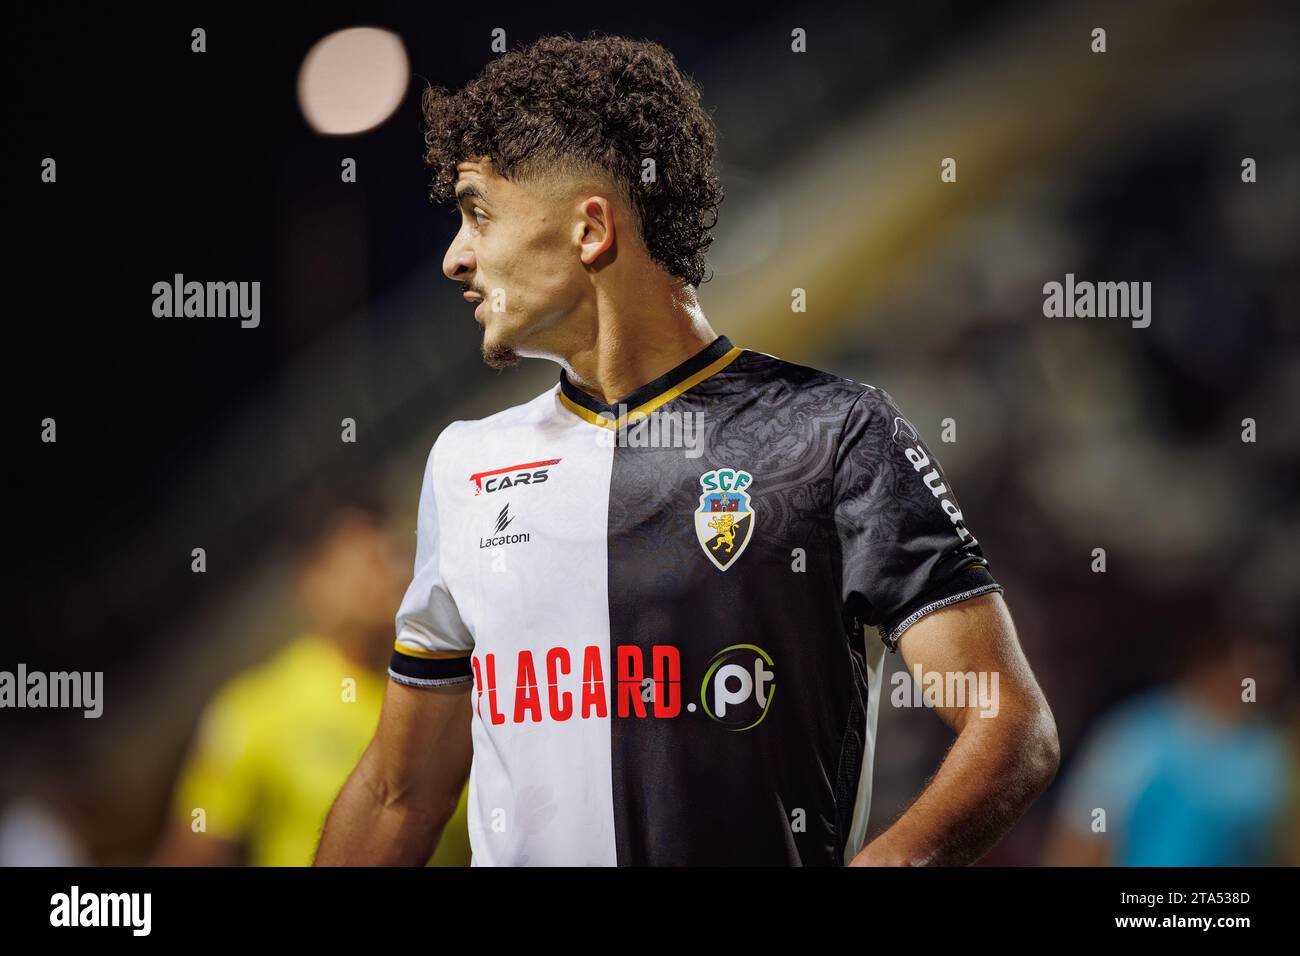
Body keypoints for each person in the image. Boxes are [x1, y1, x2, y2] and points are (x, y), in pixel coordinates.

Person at [317, 34, 1057, 867]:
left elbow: (1010, 725)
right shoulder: (465, 466)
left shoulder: (833, 433)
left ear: (590, 229)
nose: (456, 256)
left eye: (478, 213)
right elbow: (399, 795)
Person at [155, 503, 471, 866]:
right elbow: (192, 853)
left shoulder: (454, 694)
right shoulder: (256, 709)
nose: (390, 575)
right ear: (312, 582)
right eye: (366, 563)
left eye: (393, 556)